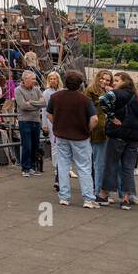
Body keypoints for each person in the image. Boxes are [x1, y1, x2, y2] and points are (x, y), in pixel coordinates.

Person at [46, 71, 99, 208]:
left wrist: (57, 125)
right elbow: (94, 119)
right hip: (80, 136)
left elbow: (49, 115)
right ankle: (88, 198)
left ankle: (64, 197)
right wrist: (88, 129)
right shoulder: (85, 100)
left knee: (63, 166)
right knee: (84, 167)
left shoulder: (55, 97)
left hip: (61, 135)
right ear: (80, 84)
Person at [102, 71, 138, 210]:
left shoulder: (119, 93)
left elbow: (103, 100)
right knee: (128, 168)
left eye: (117, 80)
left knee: (111, 164)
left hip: (118, 133)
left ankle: (104, 194)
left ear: (125, 82)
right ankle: (126, 197)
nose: (113, 82)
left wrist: (111, 116)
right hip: (133, 137)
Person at [86, 70, 115, 203]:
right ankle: (97, 192)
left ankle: (97, 190)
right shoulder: (90, 91)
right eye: (102, 79)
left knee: (99, 162)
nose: (104, 81)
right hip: (95, 130)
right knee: (97, 163)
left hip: (106, 130)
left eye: (108, 80)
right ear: (98, 78)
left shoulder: (109, 92)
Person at [14, 71, 46, 178]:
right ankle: (25, 168)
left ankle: (32, 166)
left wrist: (31, 102)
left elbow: (44, 103)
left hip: (36, 121)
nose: (34, 81)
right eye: (32, 79)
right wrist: (37, 104)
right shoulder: (18, 90)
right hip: (24, 121)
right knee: (27, 145)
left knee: (35, 145)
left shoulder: (36, 89)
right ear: (25, 79)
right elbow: (23, 106)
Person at [41, 70, 62, 182]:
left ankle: (64, 167)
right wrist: (44, 125)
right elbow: (44, 110)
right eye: (50, 79)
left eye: (54, 78)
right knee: (54, 144)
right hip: (51, 120)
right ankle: (56, 167)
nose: (52, 80)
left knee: (63, 144)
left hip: (62, 120)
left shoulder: (62, 91)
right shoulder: (46, 93)